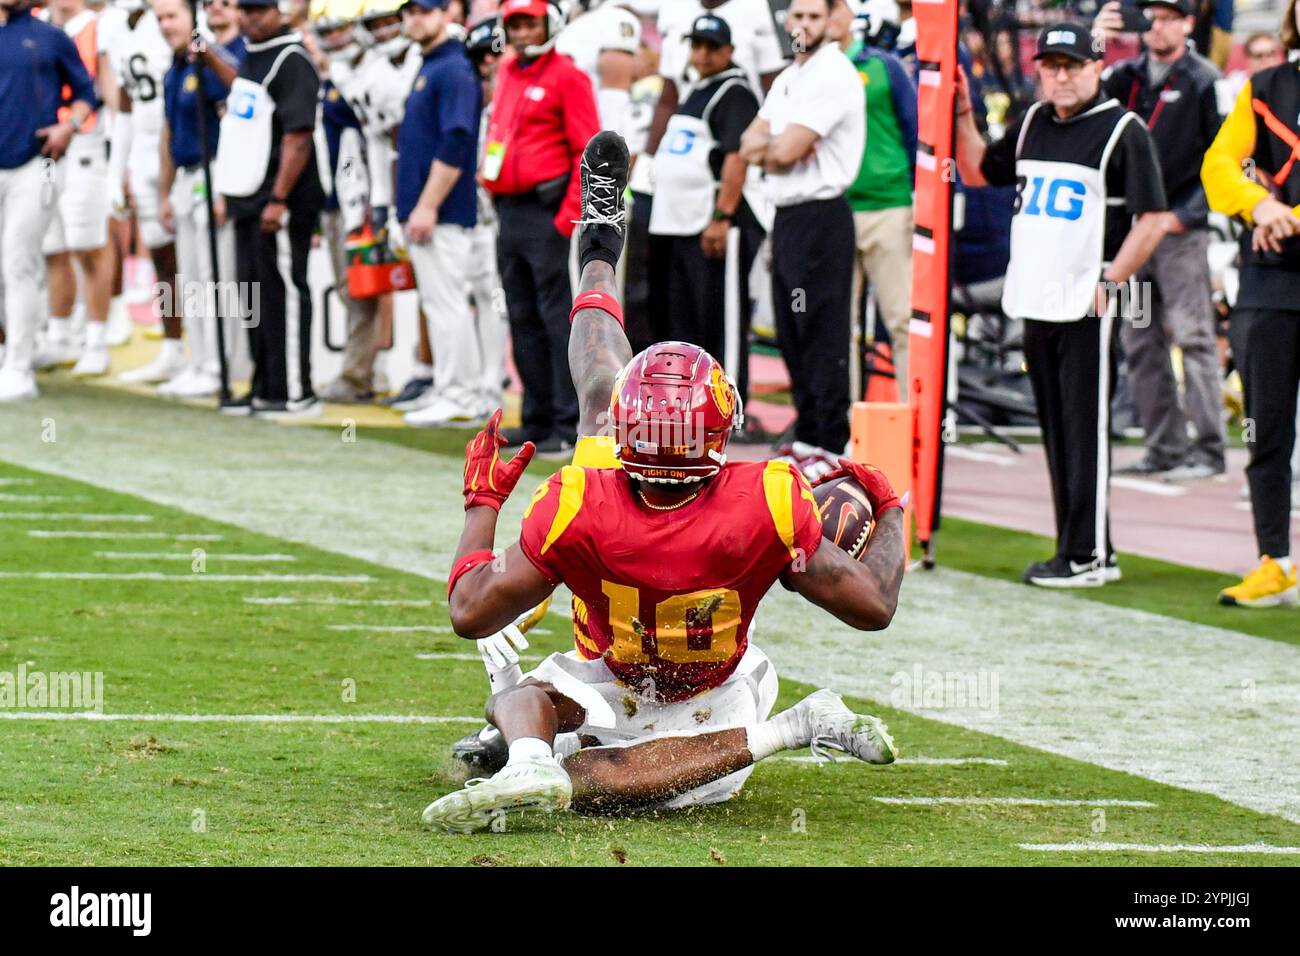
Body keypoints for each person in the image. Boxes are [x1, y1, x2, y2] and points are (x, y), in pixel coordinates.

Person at [421, 131, 907, 833]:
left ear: (628, 437)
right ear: (718, 434)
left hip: (648, 681)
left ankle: (598, 247)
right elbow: (874, 607)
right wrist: (890, 506)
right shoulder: (770, 497)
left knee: (570, 758)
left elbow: (469, 612)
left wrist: (483, 506)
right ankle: (535, 753)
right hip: (710, 687)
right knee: (556, 750)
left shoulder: (582, 498)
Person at [955, 21, 1169, 588]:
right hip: (1034, 299)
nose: (1061, 76)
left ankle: (1086, 556)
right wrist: (958, 113)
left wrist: (1111, 278)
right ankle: (1087, 545)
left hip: (1085, 305)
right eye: (1051, 66)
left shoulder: (1123, 130)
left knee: (1085, 429)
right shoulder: (1031, 121)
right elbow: (978, 169)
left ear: (1096, 68)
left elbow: (1153, 219)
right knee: (1056, 427)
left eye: (1072, 65)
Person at [1096, 0, 1228, 481]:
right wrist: (1096, 38)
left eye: (1169, 17)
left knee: (1193, 336)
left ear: (1188, 24)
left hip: (1177, 230)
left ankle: (1210, 450)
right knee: (1140, 339)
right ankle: (1164, 447)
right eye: (1151, 16)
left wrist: (1186, 214)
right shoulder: (1125, 76)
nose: (1158, 26)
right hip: (1134, 230)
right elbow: (1083, 100)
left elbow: (1224, 156)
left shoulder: (1203, 79)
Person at [1202, 0, 1300, 607]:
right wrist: (1257, 208)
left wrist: (1287, 217)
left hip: (1278, 246)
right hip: (1268, 282)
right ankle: (1275, 561)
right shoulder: (1264, 86)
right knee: (1266, 429)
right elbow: (1217, 165)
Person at [739, 0, 865, 455]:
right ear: (787, 21)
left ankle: (828, 443)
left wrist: (776, 148)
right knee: (791, 333)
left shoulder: (835, 72)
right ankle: (808, 433)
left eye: (814, 16)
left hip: (822, 216)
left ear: (831, 21)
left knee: (820, 332)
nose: (804, 24)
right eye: (798, 16)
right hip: (788, 217)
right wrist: (777, 147)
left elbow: (783, 150)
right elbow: (749, 142)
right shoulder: (792, 77)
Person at [482, 0, 600, 452]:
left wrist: (566, 216)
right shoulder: (510, 72)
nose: (523, 31)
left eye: (530, 22)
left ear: (549, 23)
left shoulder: (569, 77)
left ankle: (566, 420)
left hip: (545, 212)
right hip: (510, 211)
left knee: (555, 318)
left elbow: (587, 151)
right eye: (515, 23)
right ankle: (535, 416)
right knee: (522, 315)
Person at [213, 0, 325, 417]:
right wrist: (208, 56)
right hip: (248, 192)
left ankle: (297, 391)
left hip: (283, 196)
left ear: (278, 11)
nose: (250, 17)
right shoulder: (253, 55)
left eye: (259, 10)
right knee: (254, 293)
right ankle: (266, 384)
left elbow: (299, 135)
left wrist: (279, 198)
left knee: (285, 289)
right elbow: (245, 98)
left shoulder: (292, 58)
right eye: (246, 9)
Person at [647, 14, 762, 392]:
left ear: (729, 50)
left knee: (720, 320)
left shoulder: (734, 93)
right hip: (678, 225)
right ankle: (690, 404)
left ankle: (731, 403)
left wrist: (722, 217)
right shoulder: (696, 89)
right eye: (697, 45)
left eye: (712, 46)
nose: (703, 53)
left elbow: (736, 158)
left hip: (710, 224)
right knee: (684, 321)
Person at [395, 0, 487, 427]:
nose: (415, 18)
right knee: (439, 304)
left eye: (425, 10)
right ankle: (450, 388)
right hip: (430, 208)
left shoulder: (451, 68)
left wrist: (428, 204)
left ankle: (461, 394)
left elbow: (456, 140)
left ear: (446, 13)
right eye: (410, 11)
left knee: (448, 304)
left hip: (444, 211)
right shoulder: (433, 63)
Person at [0, 0, 96, 401]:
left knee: (18, 260)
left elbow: (88, 95)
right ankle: (10, 349)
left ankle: (19, 367)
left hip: (34, 163)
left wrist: (68, 126)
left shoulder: (49, 37)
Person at [155, 0, 238, 398]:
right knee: (190, 279)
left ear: (193, 19)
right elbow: (169, 133)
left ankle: (218, 364)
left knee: (213, 277)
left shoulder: (214, 61)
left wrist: (224, 185)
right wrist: (164, 191)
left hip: (214, 171)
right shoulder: (174, 68)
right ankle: (198, 360)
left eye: (172, 16)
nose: (165, 25)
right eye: (160, 19)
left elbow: (235, 113)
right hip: (186, 177)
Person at [34, 0, 119, 380]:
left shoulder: (98, 26)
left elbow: (106, 91)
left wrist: (118, 153)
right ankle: (61, 333)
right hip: (42, 148)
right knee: (53, 245)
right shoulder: (34, 23)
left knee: (89, 243)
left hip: (83, 141)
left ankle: (97, 338)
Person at [107, 0, 187, 385]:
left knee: (199, 259)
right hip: (144, 151)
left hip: (180, 148)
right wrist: (116, 168)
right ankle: (173, 349)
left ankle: (213, 354)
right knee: (162, 257)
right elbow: (125, 107)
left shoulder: (181, 21)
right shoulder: (122, 30)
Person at [311, 0, 383, 405]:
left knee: (359, 288)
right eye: (328, 32)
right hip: (340, 193)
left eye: (342, 29)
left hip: (363, 195)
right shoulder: (336, 73)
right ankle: (369, 367)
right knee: (349, 285)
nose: (335, 38)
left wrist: (374, 199)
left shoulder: (370, 70)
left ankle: (358, 374)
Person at [846, 0, 917, 401]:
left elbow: (915, 131)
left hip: (889, 204)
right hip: (838, 207)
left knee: (902, 317)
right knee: (841, 324)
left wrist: (920, 196)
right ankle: (846, 423)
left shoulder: (886, 67)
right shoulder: (816, 70)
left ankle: (915, 416)